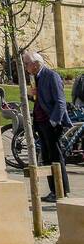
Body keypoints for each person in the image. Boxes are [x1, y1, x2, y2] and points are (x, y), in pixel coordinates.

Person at [23, 49, 71, 203]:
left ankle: (61, 190)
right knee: (46, 157)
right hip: (41, 123)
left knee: (55, 157)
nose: (25, 67)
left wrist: (53, 122)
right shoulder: (35, 77)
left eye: (26, 64)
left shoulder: (51, 76)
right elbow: (40, 100)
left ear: (36, 64)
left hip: (51, 123)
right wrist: (32, 95)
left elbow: (60, 102)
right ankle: (54, 190)